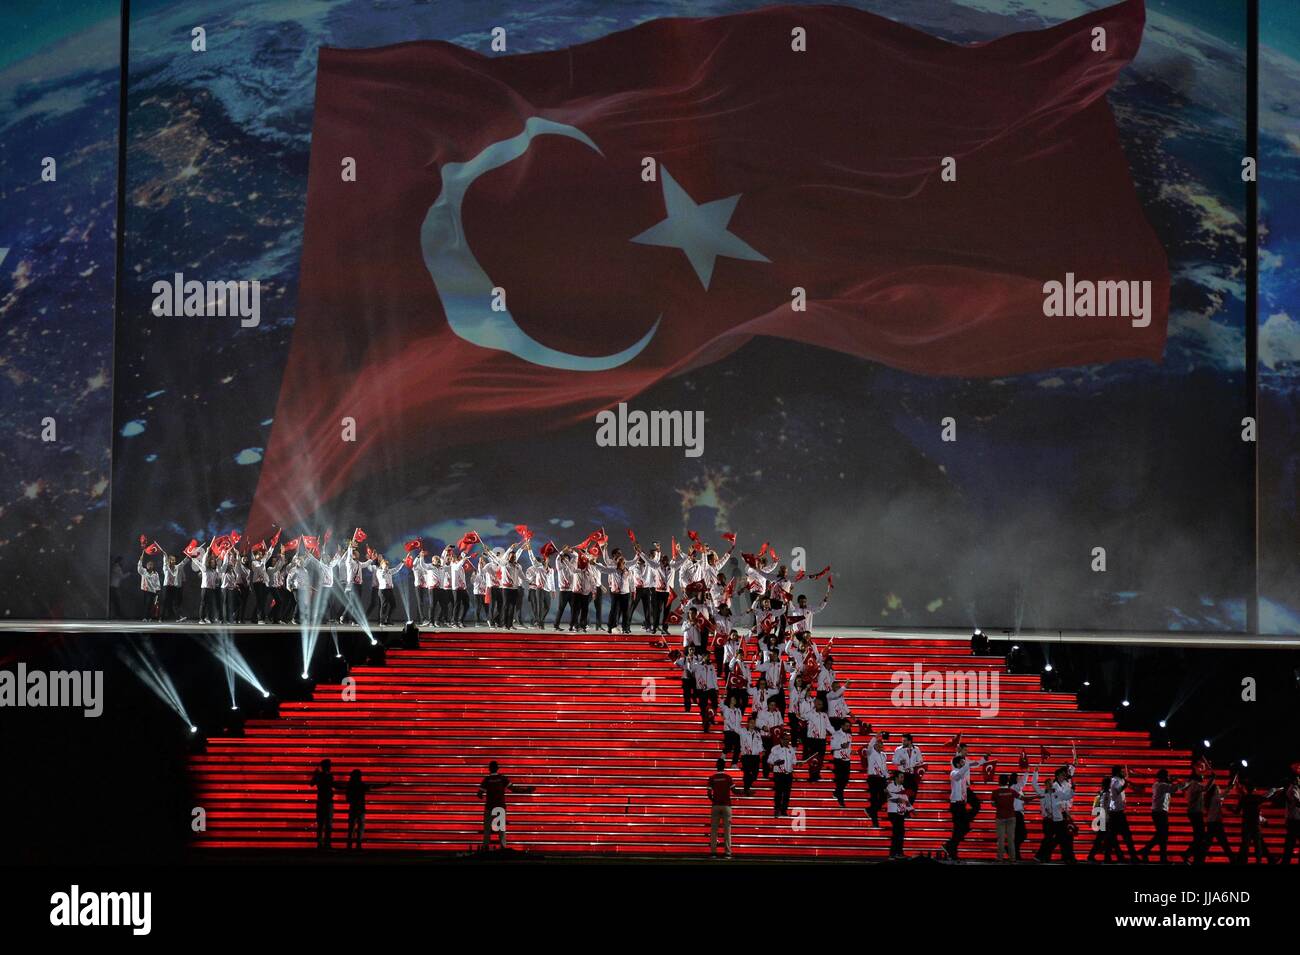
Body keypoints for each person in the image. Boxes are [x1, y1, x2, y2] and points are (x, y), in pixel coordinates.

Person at [944, 751, 988, 861]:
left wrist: (983, 760)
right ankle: (951, 850)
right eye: (962, 762)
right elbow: (959, 774)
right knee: (958, 829)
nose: (965, 762)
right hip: (956, 806)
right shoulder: (954, 773)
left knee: (964, 828)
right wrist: (967, 765)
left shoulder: (963, 773)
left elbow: (973, 764)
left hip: (961, 806)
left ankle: (950, 845)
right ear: (958, 764)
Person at [477, 760, 530, 851]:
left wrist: (486, 793)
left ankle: (485, 847)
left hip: (489, 807)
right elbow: (513, 789)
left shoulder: (487, 780)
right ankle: (502, 847)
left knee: (487, 829)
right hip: (500, 807)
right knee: (501, 829)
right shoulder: (502, 778)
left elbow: (479, 794)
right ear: (498, 768)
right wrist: (525, 790)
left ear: (489, 769)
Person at [343, 769, 389, 851]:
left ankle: (349, 846)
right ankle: (358, 846)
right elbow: (373, 786)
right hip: (360, 809)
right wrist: (385, 785)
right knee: (360, 828)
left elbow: (347, 798)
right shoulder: (361, 785)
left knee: (351, 828)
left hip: (353, 809)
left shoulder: (351, 785)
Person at [1139, 768, 1176, 864]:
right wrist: (1181, 782)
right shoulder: (1162, 785)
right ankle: (1147, 851)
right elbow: (1174, 788)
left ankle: (1149, 852)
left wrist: (1170, 782)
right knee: (1162, 835)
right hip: (1160, 813)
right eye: (1167, 776)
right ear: (1164, 777)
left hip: (1159, 813)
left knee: (1162, 835)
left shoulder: (1157, 784)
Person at [706, 757, 734, 859]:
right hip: (726, 806)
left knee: (714, 830)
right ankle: (727, 852)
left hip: (716, 805)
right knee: (727, 830)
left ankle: (713, 852)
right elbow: (734, 791)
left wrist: (714, 800)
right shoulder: (728, 778)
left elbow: (708, 793)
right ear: (724, 766)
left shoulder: (712, 778)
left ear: (716, 766)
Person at [861, 727, 889, 826]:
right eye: (879, 745)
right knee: (874, 798)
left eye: (882, 746)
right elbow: (870, 745)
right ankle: (874, 821)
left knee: (883, 798)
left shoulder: (884, 755)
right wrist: (877, 736)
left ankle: (870, 810)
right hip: (873, 778)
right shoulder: (871, 753)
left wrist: (887, 777)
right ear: (876, 745)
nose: (881, 747)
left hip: (881, 779)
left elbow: (885, 768)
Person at [310, 758, 336, 849]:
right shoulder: (326, 776)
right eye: (329, 765)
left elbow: (311, 783)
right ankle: (325, 844)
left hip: (323, 802)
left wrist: (315, 775)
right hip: (326, 802)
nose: (330, 767)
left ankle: (322, 843)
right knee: (326, 824)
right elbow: (312, 783)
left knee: (322, 824)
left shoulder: (323, 775)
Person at [893, 734, 925, 806]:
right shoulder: (898, 749)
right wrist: (900, 762)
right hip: (902, 774)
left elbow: (921, 760)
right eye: (902, 741)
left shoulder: (916, 749)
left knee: (913, 791)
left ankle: (908, 808)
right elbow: (894, 761)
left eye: (904, 741)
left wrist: (914, 764)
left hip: (912, 774)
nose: (903, 742)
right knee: (902, 792)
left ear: (910, 741)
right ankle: (902, 809)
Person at [992, 775, 1019, 862]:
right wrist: (1036, 797)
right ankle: (1012, 858)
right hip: (1011, 817)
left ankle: (1000, 858)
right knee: (1011, 839)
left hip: (1000, 817)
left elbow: (993, 804)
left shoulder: (995, 792)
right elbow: (1023, 798)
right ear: (1007, 782)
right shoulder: (1012, 791)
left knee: (1001, 840)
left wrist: (1000, 804)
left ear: (999, 781)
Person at [886, 770, 911, 859]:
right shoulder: (890, 786)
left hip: (900, 812)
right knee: (897, 833)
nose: (903, 778)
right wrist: (898, 799)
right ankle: (893, 854)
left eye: (903, 777)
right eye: (901, 777)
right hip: (893, 812)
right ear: (896, 778)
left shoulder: (902, 787)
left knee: (900, 833)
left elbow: (906, 800)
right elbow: (889, 798)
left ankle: (899, 853)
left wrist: (911, 809)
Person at [738, 713, 764, 795]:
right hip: (746, 756)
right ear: (748, 723)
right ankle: (746, 789)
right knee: (747, 773)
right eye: (751, 722)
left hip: (755, 756)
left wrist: (762, 751)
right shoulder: (742, 731)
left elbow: (760, 744)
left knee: (755, 774)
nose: (752, 724)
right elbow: (734, 727)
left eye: (754, 722)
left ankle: (746, 788)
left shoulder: (757, 733)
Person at [829, 720, 853, 807]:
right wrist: (841, 746)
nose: (848, 727)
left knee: (846, 779)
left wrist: (850, 752)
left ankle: (837, 792)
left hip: (847, 760)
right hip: (838, 760)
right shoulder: (836, 734)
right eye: (846, 726)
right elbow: (832, 746)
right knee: (840, 779)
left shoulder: (849, 735)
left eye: (849, 726)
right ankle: (840, 798)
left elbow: (849, 747)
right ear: (842, 726)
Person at [1280, 770, 1300, 865]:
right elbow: (1297, 802)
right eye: (1298, 778)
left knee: (1289, 844)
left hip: (1296, 820)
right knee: (1289, 844)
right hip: (1295, 821)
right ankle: (1285, 862)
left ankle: (1285, 861)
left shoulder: (1296, 788)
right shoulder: (1293, 789)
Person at [136, 551, 161, 621]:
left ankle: (150, 617)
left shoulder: (155, 573)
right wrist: (140, 559)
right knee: (145, 604)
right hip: (145, 590)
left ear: (153, 566)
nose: (150, 565)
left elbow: (157, 583)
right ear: (146, 565)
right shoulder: (143, 571)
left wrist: (158, 590)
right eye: (148, 564)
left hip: (152, 591)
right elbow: (139, 567)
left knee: (151, 605)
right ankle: (144, 617)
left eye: (151, 564)